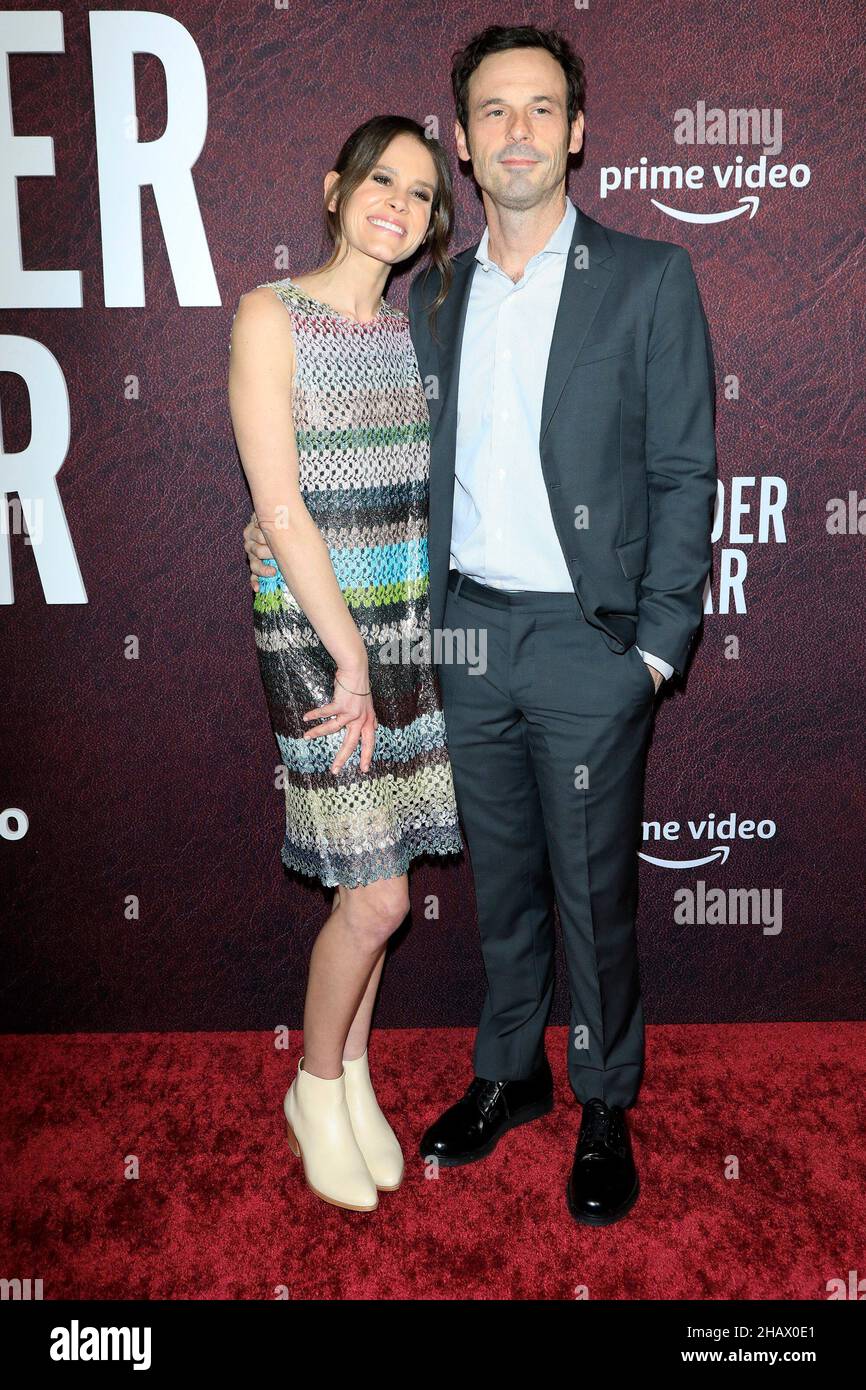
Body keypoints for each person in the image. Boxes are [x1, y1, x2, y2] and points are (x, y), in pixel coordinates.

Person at [245, 25, 717, 1228]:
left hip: (587, 641)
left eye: (538, 108)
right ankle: (509, 1075)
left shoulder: (650, 277)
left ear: (574, 131)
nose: (514, 130)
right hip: (457, 638)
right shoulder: (434, 295)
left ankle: (603, 1100)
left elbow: (681, 471)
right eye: (490, 111)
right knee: (501, 878)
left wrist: (656, 649)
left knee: (591, 892)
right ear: (463, 142)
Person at [229, 116, 462, 1214]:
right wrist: (348, 656)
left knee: (378, 885)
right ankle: (313, 1086)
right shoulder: (270, 313)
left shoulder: (415, 327)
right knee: (375, 900)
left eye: (420, 193)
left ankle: (353, 1080)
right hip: (320, 639)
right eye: (381, 180)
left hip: (404, 630)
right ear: (334, 188)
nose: (397, 204)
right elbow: (277, 504)